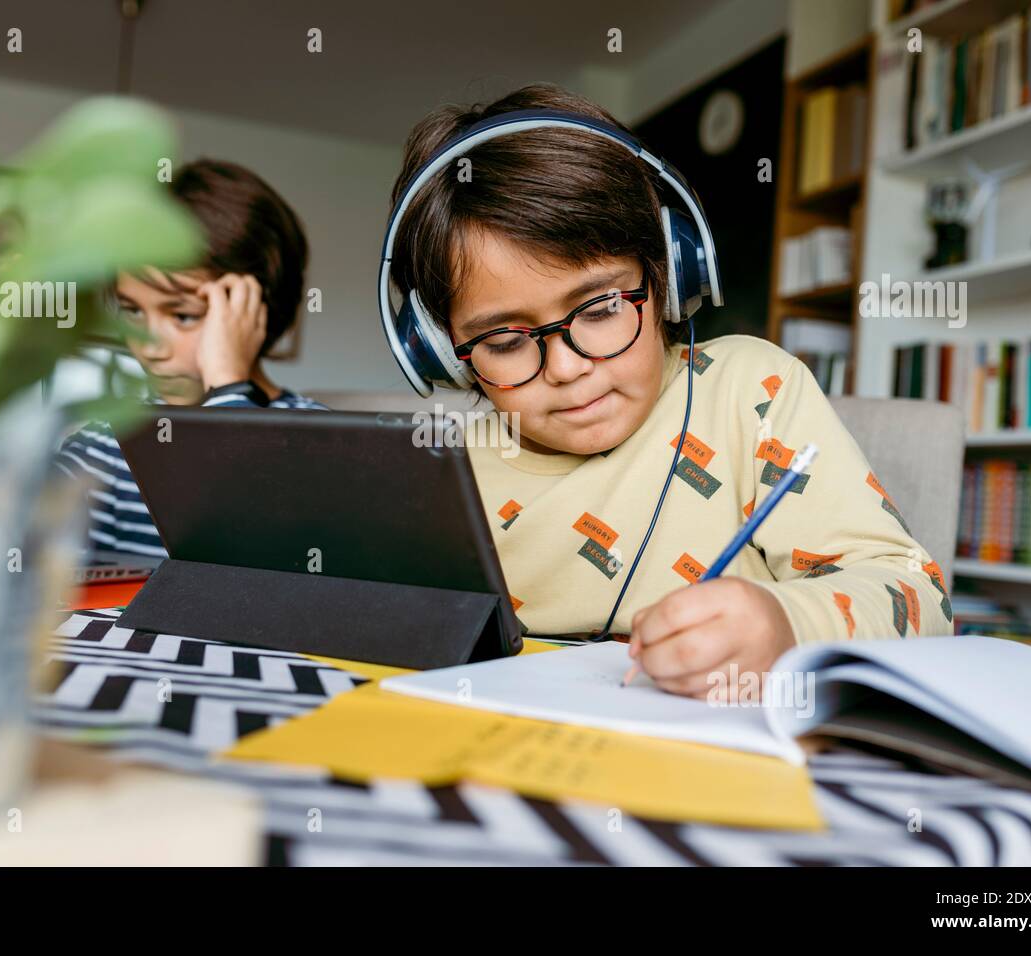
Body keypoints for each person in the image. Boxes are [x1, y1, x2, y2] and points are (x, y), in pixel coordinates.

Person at [385, 84, 953, 697]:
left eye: (600, 308)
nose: (567, 369)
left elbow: (919, 599)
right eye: (504, 341)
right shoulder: (447, 472)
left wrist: (787, 626)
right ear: (444, 355)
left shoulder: (752, 393)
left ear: (669, 277)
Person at [56, 159, 324, 557]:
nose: (149, 347)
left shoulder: (321, 441)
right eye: (132, 311)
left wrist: (229, 386)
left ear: (251, 309)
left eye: (183, 315)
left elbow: (255, 560)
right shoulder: (109, 439)